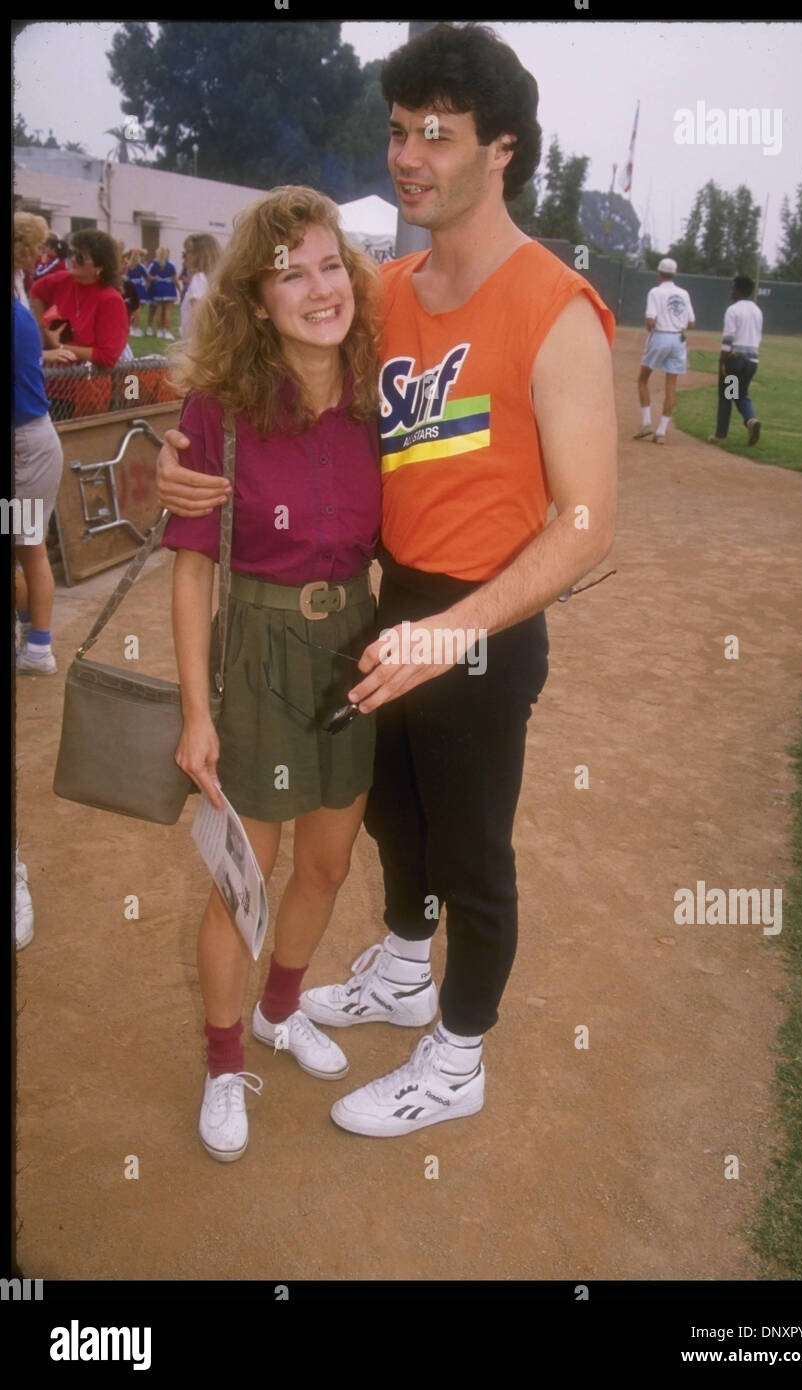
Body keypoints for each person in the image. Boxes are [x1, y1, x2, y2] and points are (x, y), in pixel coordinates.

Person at [156, 22, 617, 1140]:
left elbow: (589, 526)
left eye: (438, 135)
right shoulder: (387, 290)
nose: (407, 155)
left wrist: (450, 630)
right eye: (400, 130)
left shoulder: (554, 306)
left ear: (499, 148)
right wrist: (167, 470)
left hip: (481, 620)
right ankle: (403, 972)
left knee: (469, 846)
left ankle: (456, 1055)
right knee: (389, 826)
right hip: (386, 607)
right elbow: (259, 388)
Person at [160, 185, 382, 1161]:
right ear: (255, 299)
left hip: (354, 651)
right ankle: (220, 1062)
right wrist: (194, 711)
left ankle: (281, 1010)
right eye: (289, 274)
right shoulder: (220, 410)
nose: (317, 288)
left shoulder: (382, 391)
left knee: (328, 862)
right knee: (242, 882)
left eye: (331, 265)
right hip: (254, 653)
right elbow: (192, 565)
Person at [13, 212, 76, 677]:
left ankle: (39, 647)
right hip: (28, 443)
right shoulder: (18, 296)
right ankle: (29, 635)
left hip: (28, 446)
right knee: (19, 542)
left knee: (28, 545)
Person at [28, 228, 131, 368]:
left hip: (87, 382)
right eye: (72, 253)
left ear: (99, 266)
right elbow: (36, 291)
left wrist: (60, 346)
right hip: (53, 379)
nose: (73, 259)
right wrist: (43, 328)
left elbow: (107, 356)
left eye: (81, 257)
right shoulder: (61, 280)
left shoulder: (110, 300)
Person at [633, 256, 695, 445]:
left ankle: (646, 423)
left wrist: (650, 326)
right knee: (671, 385)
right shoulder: (684, 293)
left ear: (659, 273)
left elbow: (650, 321)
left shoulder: (655, 292)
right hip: (679, 339)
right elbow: (691, 323)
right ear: (674, 274)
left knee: (643, 378)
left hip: (660, 337)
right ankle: (661, 431)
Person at [707, 274, 763, 447]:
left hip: (735, 361)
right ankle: (751, 419)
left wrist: (722, 362)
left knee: (726, 395)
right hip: (752, 362)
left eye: (733, 288)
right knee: (740, 393)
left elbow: (728, 339)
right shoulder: (757, 310)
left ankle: (720, 434)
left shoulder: (733, 310)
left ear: (738, 290)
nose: (731, 291)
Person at [179, 233, 220, 339]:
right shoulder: (215, 280)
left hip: (198, 342)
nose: (183, 258)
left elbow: (197, 318)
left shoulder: (199, 279)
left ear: (197, 256)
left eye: (185, 253)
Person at [146, 246, 179, 340]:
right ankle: (167, 331)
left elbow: (148, 277)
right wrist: (179, 289)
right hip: (169, 288)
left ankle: (159, 331)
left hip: (158, 288)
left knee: (159, 310)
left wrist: (155, 278)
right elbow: (175, 278)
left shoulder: (154, 264)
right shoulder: (171, 265)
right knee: (168, 310)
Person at [126, 249, 150, 337]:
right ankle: (135, 328)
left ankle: (130, 327)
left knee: (129, 308)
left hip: (129, 287)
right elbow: (147, 276)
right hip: (138, 288)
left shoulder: (128, 266)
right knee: (138, 309)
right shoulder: (141, 266)